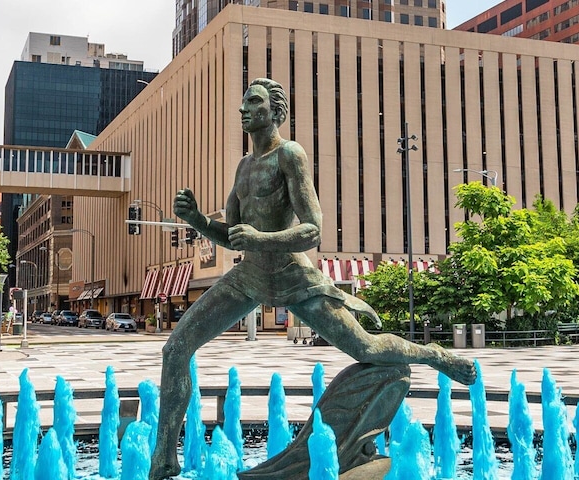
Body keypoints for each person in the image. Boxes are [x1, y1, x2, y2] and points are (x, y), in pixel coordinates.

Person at [148, 78, 476, 479]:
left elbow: (313, 229)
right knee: (176, 348)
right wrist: (199, 221)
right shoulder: (244, 166)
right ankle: (164, 461)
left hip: (291, 274)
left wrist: (263, 238)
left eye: (254, 102)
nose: (244, 110)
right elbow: (234, 234)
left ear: (275, 111)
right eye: (243, 102)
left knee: (366, 347)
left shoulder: (290, 155)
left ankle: (437, 356)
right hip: (249, 276)